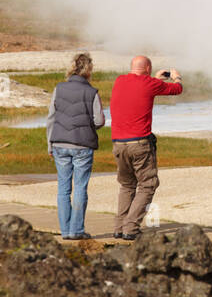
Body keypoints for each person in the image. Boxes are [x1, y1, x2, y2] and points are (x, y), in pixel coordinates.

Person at [109, 55, 182, 239]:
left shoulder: (120, 81)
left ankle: (119, 227)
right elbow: (177, 90)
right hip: (139, 143)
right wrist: (176, 77)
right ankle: (131, 228)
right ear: (148, 68)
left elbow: (140, 88)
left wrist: (155, 79)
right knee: (148, 184)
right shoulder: (150, 83)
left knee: (126, 185)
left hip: (118, 144)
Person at [47, 52, 106, 240]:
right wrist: (88, 125)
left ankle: (65, 232)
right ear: (89, 70)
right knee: (80, 187)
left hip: (59, 143)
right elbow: (99, 120)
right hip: (82, 145)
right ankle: (76, 231)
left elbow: (51, 118)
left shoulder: (59, 88)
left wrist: (50, 144)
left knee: (63, 189)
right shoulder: (92, 92)